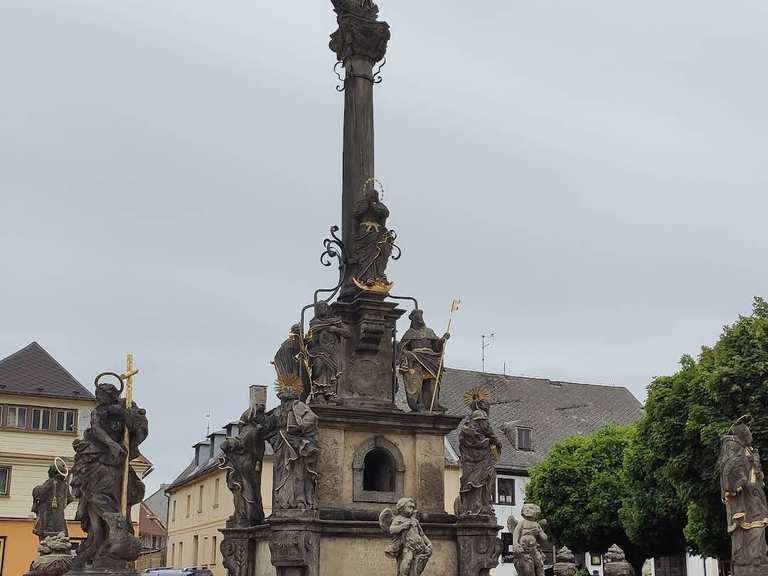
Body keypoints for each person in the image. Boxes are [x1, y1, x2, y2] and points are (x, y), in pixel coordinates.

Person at [719, 421, 768, 574]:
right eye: (749, 434)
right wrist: (739, 482)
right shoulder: (733, 452)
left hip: (757, 501)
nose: (751, 436)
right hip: (743, 505)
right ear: (742, 436)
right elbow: (729, 471)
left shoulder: (751, 452)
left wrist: (758, 474)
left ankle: (758, 564)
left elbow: (758, 477)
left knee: (759, 538)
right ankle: (748, 565)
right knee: (747, 538)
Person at [398, 309, 449, 412]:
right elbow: (402, 349)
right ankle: (418, 402)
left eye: (421, 317)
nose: (420, 319)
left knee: (432, 381)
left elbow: (436, 347)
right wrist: (409, 354)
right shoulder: (409, 333)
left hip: (431, 359)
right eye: (417, 317)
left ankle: (433, 403)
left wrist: (442, 340)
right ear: (413, 319)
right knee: (417, 381)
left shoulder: (429, 331)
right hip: (416, 359)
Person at [382, 497, 433, 576]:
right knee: (407, 561)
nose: (412, 509)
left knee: (421, 560)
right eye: (409, 507)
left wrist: (429, 543)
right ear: (402, 508)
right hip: (408, 546)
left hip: (419, 545)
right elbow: (392, 530)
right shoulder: (398, 519)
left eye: (413, 507)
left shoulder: (415, 521)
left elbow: (422, 534)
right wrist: (403, 526)